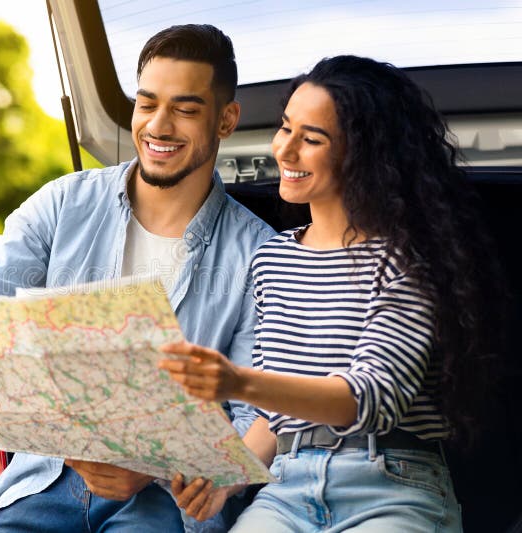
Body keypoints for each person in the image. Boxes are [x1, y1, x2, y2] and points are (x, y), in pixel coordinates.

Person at [0, 24, 275, 533]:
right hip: (43, 484)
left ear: (226, 119)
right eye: (147, 102)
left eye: (185, 108)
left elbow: (258, 417)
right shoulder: (64, 204)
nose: (158, 125)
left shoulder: (261, 254)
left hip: (164, 509)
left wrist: (158, 466)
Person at [159, 55, 506, 531]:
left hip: (392, 487)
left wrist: (237, 382)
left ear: (363, 155)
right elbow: (273, 410)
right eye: (285, 129)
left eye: (312, 139)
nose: (285, 150)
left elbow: (369, 399)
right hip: (286, 488)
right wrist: (228, 476)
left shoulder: (407, 261)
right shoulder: (273, 259)